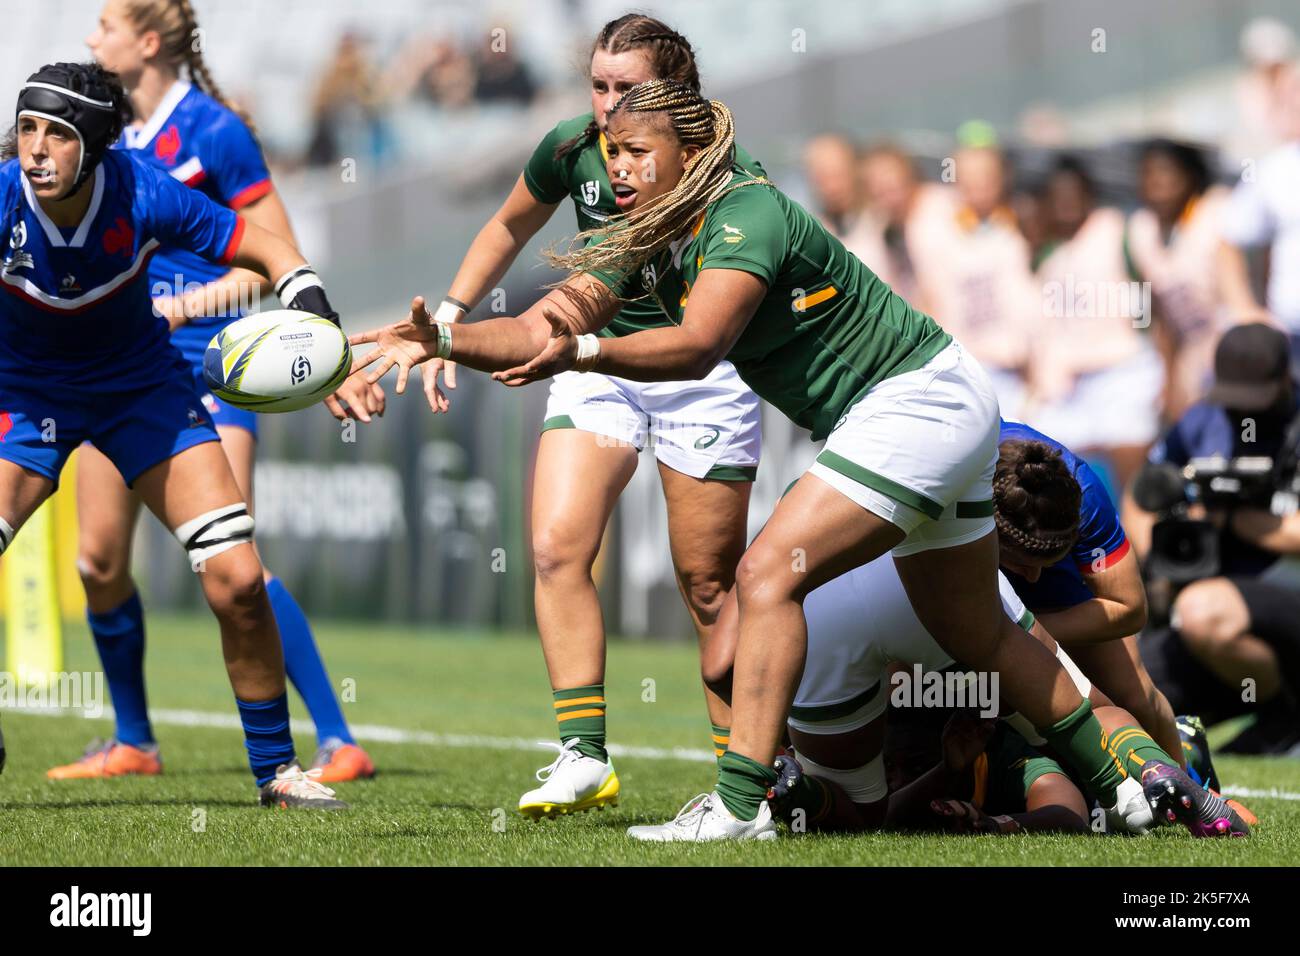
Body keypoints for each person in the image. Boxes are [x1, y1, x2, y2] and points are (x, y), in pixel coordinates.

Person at [352, 79, 1157, 842]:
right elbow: (543, 327)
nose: (618, 168)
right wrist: (443, 338)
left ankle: (741, 803)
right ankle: (1120, 789)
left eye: (637, 151)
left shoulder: (745, 212)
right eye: (612, 151)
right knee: (977, 629)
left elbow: (699, 344)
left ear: (693, 148)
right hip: (937, 406)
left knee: (769, 574)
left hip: (916, 402)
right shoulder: (647, 231)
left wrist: (586, 352)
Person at [337, 15, 767, 819]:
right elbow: (508, 224)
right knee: (553, 549)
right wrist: (452, 316)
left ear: (677, 99)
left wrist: (451, 340)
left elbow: (579, 306)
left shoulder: (721, 176)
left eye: (626, 89)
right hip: (590, 361)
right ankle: (582, 756)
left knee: (709, 585)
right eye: (598, 86)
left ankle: (743, 781)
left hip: (695, 372)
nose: (607, 106)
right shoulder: (571, 148)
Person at [44, 0, 375, 784]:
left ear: (148, 41)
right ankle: (135, 741)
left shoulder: (215, 132)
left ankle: (336, 740)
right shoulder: (97, 134)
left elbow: (273, 256)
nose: (92, 38)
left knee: (233, 564)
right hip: (117, 363)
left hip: (210, 365)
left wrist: (193, 305)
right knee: (96, 561)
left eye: (106, 26)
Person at [1126, 323, 1300, 755]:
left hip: (1282, 590)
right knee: (1135, 685)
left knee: (1203, 612)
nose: (1243, 409)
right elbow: (1140, 495)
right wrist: (1160, 560)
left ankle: (1285, 715)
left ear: (1283, 380)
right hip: (1214, 606)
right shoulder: (1202, 420)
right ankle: (1260, 699)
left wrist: (1239, 521)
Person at [994, 428, 1181, 765]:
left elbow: (1130, 609)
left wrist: (1016, 630)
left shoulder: (1086, 495)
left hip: (1062, 583)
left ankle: (1196, 783)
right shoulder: (954, 481)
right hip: (973, 554)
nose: (1033, 577)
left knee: (1133, 699)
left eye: (1041, 566)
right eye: (1024, 565)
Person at [1027, 156, 1164, 491]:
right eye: (1057, 195)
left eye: (1074, 193)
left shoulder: (1118, 230)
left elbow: (1155, 305)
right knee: (1040, 466)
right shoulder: (1045, 252)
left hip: (1124, 371)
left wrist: (1166, 372)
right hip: (1071, 386)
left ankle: (1137, 536)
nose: (1066, 202)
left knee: (1131, 472)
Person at [1126, 139, 1232, 420]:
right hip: (1190, 355)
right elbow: (1161, 319)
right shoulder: (1143, 230)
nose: (1156, 183)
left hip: (1234, 347)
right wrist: (1170, 379)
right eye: (1147, 174)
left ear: (1191, 177)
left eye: (1166, 172)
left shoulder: (1217, 211)